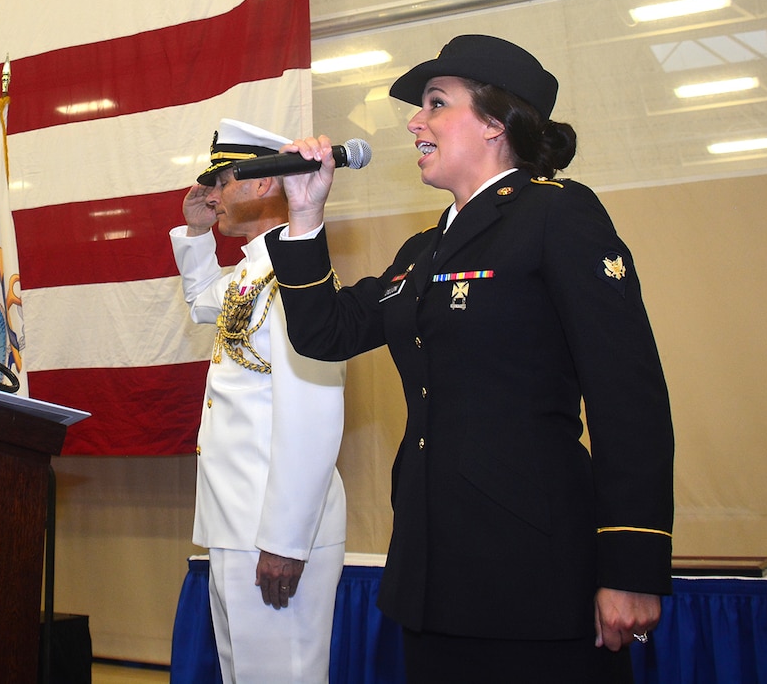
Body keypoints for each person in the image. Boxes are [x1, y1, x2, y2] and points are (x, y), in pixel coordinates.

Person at [266, 35, 674, 683]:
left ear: (495, 122)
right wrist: (307, 214)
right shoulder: (425, 251)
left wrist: (631, 565)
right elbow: (327, 333)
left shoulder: (558, 216)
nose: (414, 121)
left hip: (535, 578)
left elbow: (629, 395)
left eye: (436, 102)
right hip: (433, 579)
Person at [172, 119, 347, 682]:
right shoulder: (255, 270)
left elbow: (311, 416)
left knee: (281, 675)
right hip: (237, 524)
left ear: (263, 184)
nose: (212, 194)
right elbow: (205, 303)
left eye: (222, 181)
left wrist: (285, 541)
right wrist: (197, 235)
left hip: (273, 532)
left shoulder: (300, 278)